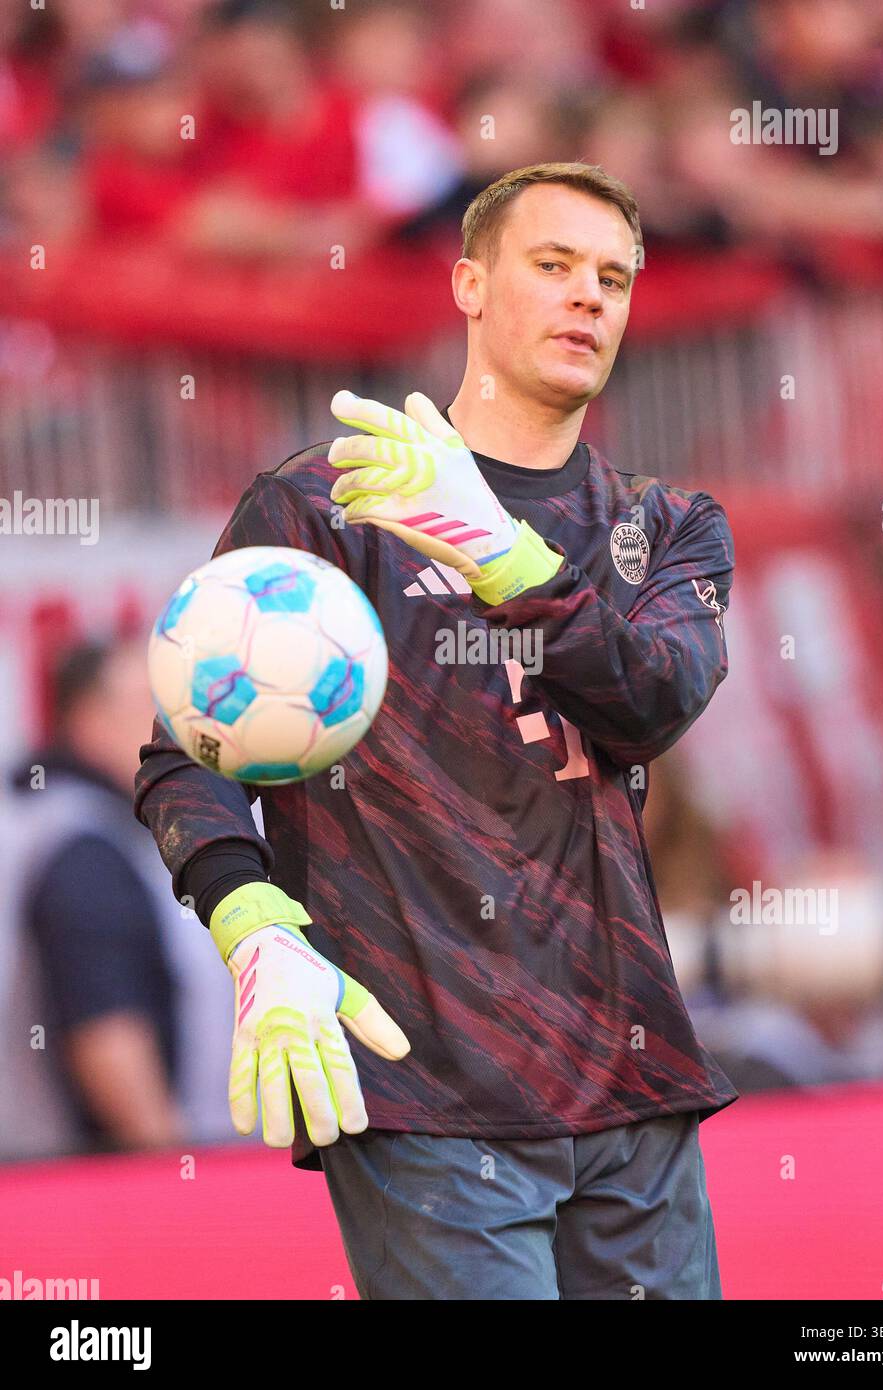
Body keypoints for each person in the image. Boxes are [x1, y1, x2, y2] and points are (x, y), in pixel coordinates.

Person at [135, 161, 739, 1300]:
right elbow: (184, 753)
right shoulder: (323, 504)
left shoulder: (664, 525)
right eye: (552, 265)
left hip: (632, 1078)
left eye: (613, 278)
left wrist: (510, 562)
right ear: (468, 283)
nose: (588, 298)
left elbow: (656, 695)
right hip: (429, 1090)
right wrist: (256, 926)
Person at [0, 636, 241, 1159]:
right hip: (95, 1191)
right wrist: (172, 1168)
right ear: (90, 719)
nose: (184, 732)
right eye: (157, 711)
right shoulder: (80, 846)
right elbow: (107, 1034)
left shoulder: (54, 824)